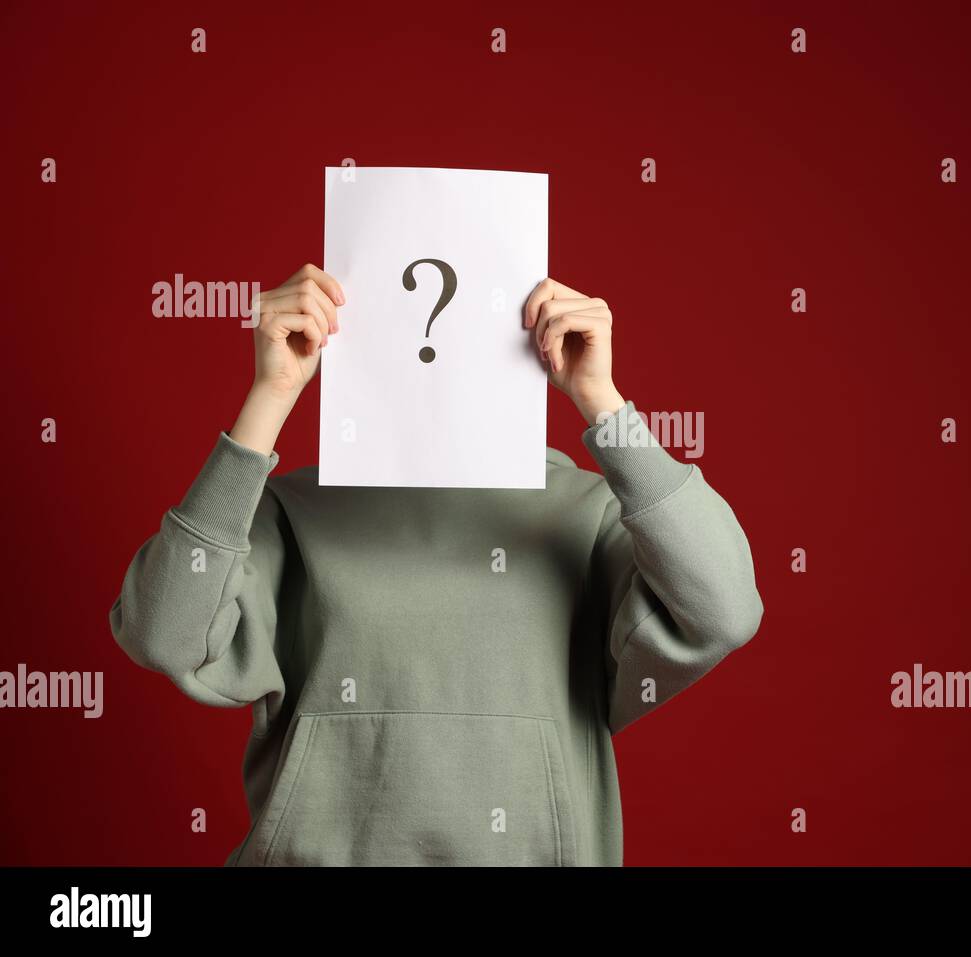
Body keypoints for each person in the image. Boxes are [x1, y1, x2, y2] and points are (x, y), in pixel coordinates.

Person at [108, 264, 763, 866]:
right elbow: (163, 632)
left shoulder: (588, 510)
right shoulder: (291, 510)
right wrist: (270, 397)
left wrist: (603, 400)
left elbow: (723, 608)